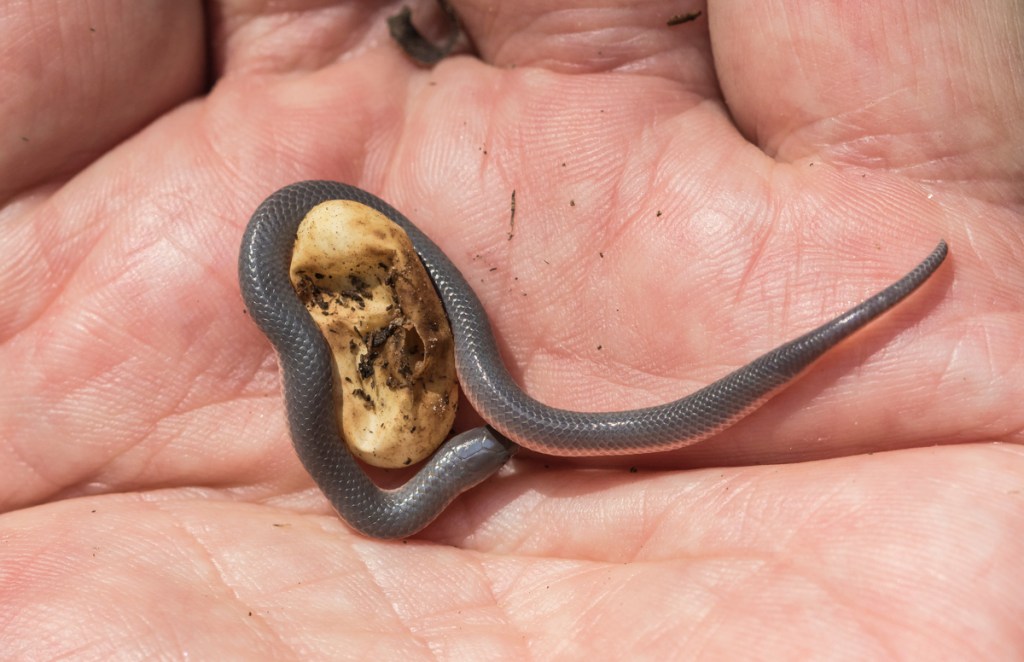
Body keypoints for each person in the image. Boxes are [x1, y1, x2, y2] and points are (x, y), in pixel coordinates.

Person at [1, 2, 1020, 658]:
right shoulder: (389, 483)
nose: (505, 449)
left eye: (487, 454)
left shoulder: (402, 472)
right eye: (494, 452)